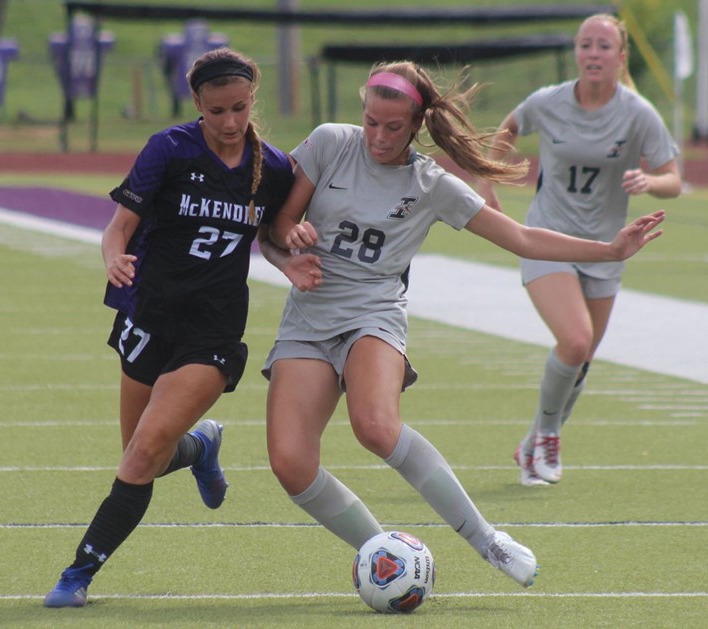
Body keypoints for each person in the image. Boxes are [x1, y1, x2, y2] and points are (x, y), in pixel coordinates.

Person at [264, 60, 665, 588]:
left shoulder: (430, 184)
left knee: (375, 426)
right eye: (370, 121)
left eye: (392, 127)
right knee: (291, 464)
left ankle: (488, 540)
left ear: (417, 125)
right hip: (309, 317)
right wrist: (287, 255)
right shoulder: (328, 143)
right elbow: (277, 222)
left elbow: (520, 238)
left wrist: (609, 248)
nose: (378, 137)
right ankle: (389, 558)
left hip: (372, 315)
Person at [43, 47, 321, 608]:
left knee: (142, 453)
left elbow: (270, 233)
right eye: (216, 110)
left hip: (212, 334)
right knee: (142, 456)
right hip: (147, 318)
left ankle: (77, 575)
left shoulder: (273, 167)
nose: (230, 122)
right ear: (196, 102)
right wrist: (113, 258)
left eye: (240, 108)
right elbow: (118, 228)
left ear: (253, 99)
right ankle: (200, 448)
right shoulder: (169, 150)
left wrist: (288, 258)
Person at [477, 13, 683, 487]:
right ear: (576, 53)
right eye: (586, 45)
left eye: (604, 46)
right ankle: (548, 436)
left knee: (582, 358)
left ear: (621, 56)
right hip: (547, 241)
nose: (593, 53)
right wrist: (486, 178)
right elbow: (507, 129)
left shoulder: (637, 113)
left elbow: (673, 179)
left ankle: (533, 442)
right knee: (574, 341)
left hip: (607, 251)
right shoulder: (549, 102)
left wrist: (650, 181)